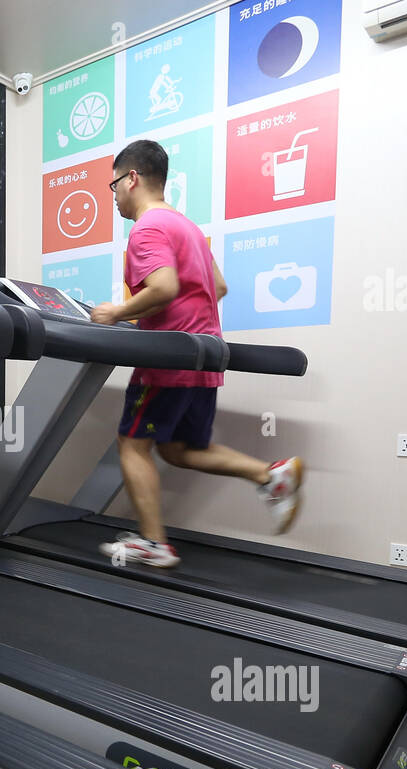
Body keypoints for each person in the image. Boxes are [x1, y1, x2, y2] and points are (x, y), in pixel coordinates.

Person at [89, 140, 303, 569]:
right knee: (178, 448)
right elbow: (217, 287)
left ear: (132, 179)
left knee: (132, 445)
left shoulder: (148, 228)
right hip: (205, 359)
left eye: (113, 186)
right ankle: (270, 474)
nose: (113, 196)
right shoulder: (187, 228)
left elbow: (165, 287)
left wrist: (117, 311)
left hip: (167, 361)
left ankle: (154, 543)